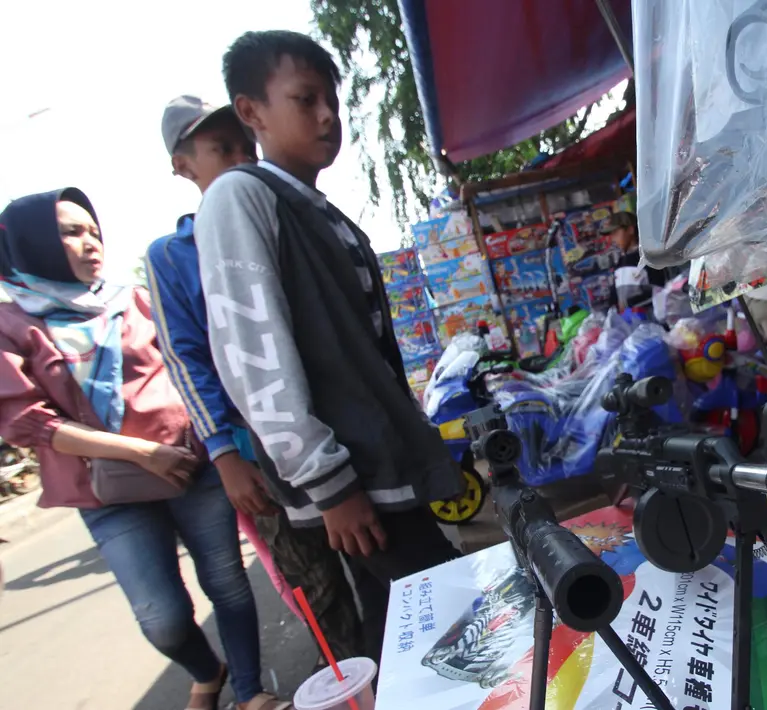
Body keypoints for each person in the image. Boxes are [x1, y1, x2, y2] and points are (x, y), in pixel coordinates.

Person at [194, 30, 462, 660]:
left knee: (399, 634)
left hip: (377, 471)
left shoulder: (315, 208)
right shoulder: (240, 196)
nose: (327, 117)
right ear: (252, 111)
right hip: (352, 482)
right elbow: (252, 354)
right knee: (452, 624)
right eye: (306, 98)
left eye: (333, 101)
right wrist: (329, 482)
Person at [0, 189, 286, 710]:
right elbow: (25, 422)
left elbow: (189, 364)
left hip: (193, 467)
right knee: (162, 618)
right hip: (107, 493)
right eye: (70, 232)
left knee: (227, 584)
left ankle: (251, 693)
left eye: (93, 231)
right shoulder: (12, 323)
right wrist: (142, 453)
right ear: (30, 243)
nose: (90, 243)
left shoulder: (131, 299)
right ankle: (208, 670)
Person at [146, 95, 365, 665]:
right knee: (317, 586)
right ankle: (352, 684)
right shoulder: (173, 255)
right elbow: (186, 357)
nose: (241, 157)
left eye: (245, 144)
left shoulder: (285, 214)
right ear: (182, 165)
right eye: (222, 149)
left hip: (333, 432)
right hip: (258, 452)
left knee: (374, 563)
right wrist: (223, 452)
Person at [602, 210, 667, 312]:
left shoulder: (647, 258)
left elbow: (660, 291)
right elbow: (615, 295)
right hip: (630, 325)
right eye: (611, 235)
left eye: (615, 233)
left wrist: (630, 305)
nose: (613, 239)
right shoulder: (619, 264)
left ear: (630, 230)